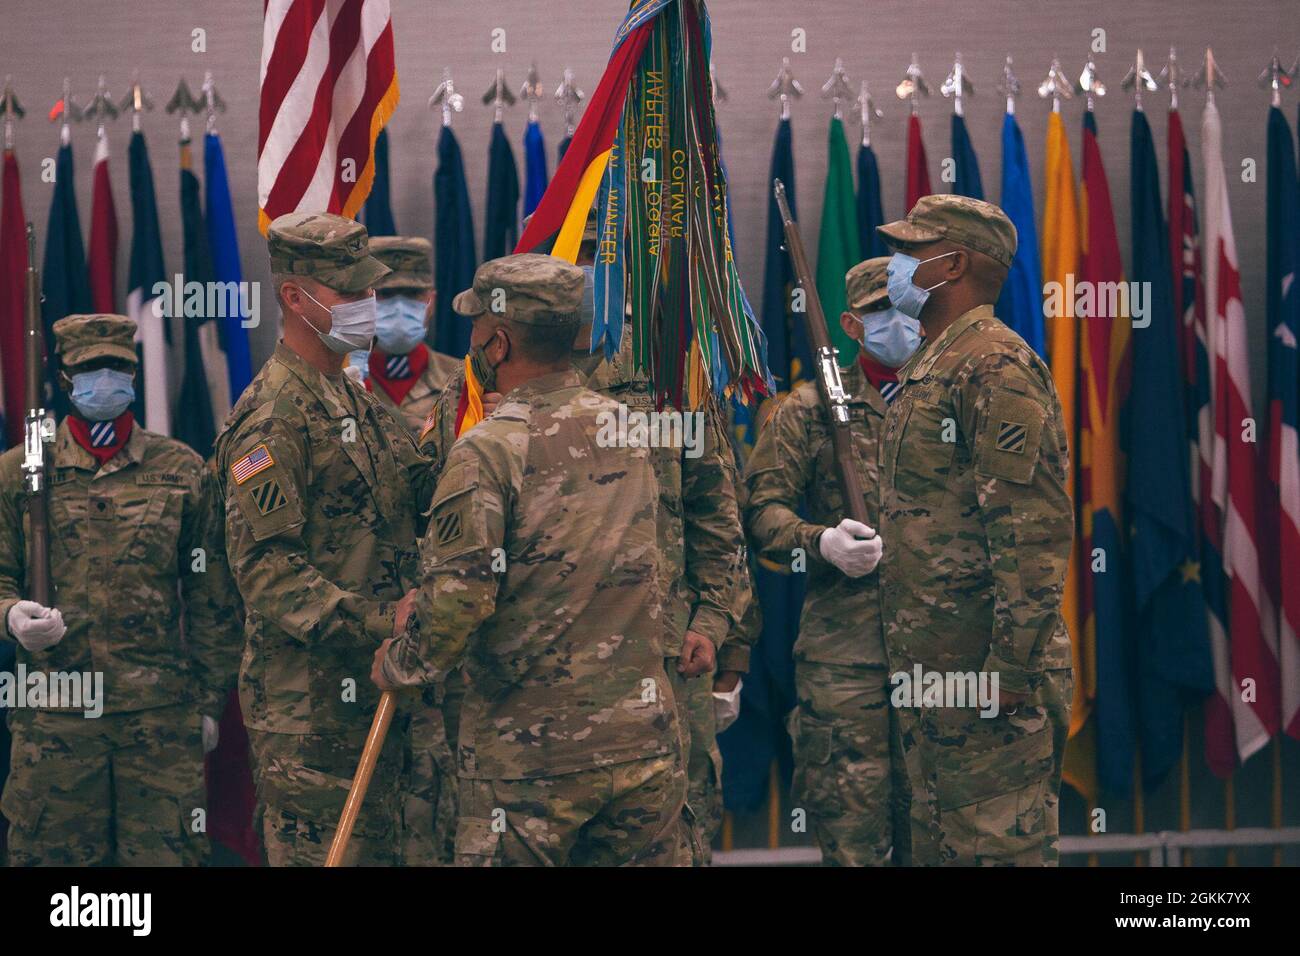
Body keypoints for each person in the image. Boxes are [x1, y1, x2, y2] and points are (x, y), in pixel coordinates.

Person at [374, 253, 685, 866]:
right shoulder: (632, 426)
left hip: (531, 757)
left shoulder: (489, 447)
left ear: (497, 342)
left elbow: (460, 600)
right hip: (640, 742)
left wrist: (400, 664)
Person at [212, 212, 432, 866]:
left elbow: (417, 487)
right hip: (309, 709)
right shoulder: (271, 419)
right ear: (295, 298)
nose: (368, 306)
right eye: (351, 294)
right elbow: (268, 572)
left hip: (377, 692)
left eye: (371, 291)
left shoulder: (353, 399)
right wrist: (379, 619)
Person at [875, 194, 1073, 866]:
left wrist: (1011, 671)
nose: (894, 267)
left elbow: (1031, 530)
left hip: (988, 687)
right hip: (937, 681)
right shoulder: (932, 364)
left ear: (951, 263)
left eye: (909, 253)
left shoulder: (993, 363)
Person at [0, 313, 239, 865]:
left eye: (116, 367)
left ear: (134, 374)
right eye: (89, 369)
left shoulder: (180, 469)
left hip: (157, 717)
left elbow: (212, 595)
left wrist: (207, 701)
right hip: (54, 716)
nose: (104, 379)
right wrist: (13, 615)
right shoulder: (23, 471)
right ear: (64, 379)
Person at [744, 256, 916, 866]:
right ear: (850, 323)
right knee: (855, 840)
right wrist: (821, 543)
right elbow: (759, 514)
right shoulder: (808, 410)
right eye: (881, 313)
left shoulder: (960, 400)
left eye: (911, 307)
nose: (901, 323)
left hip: (948, 657)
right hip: (849, 664)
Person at [362, 236, 461, 438]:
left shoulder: (466, 382)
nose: (400, 306)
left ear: (431, 300)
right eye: (385, 294)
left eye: (412, 293)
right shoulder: (341, 382)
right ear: (362, 299)